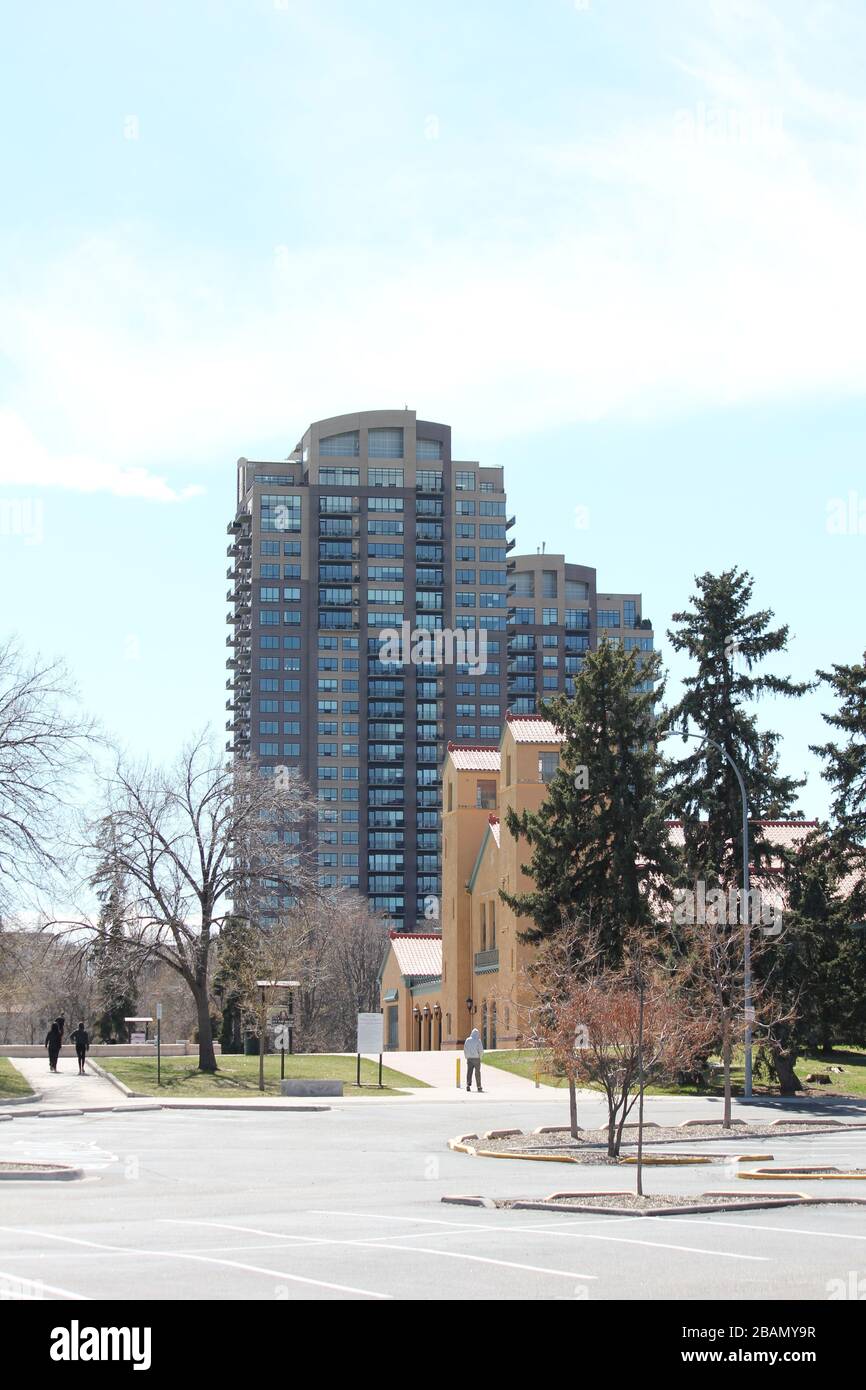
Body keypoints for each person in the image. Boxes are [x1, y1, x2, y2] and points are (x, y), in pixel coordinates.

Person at [464, 1027, 484, 1093]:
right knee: (477, 1072)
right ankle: (479, 1086)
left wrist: (466, 1056)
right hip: (476, 1058)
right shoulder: (478, 1040)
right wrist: (480, 1057)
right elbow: (481, 1050)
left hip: (469, 1059)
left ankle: (468, 1085)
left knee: (469, 1072)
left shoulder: (467, 1040)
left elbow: (465, 1049)